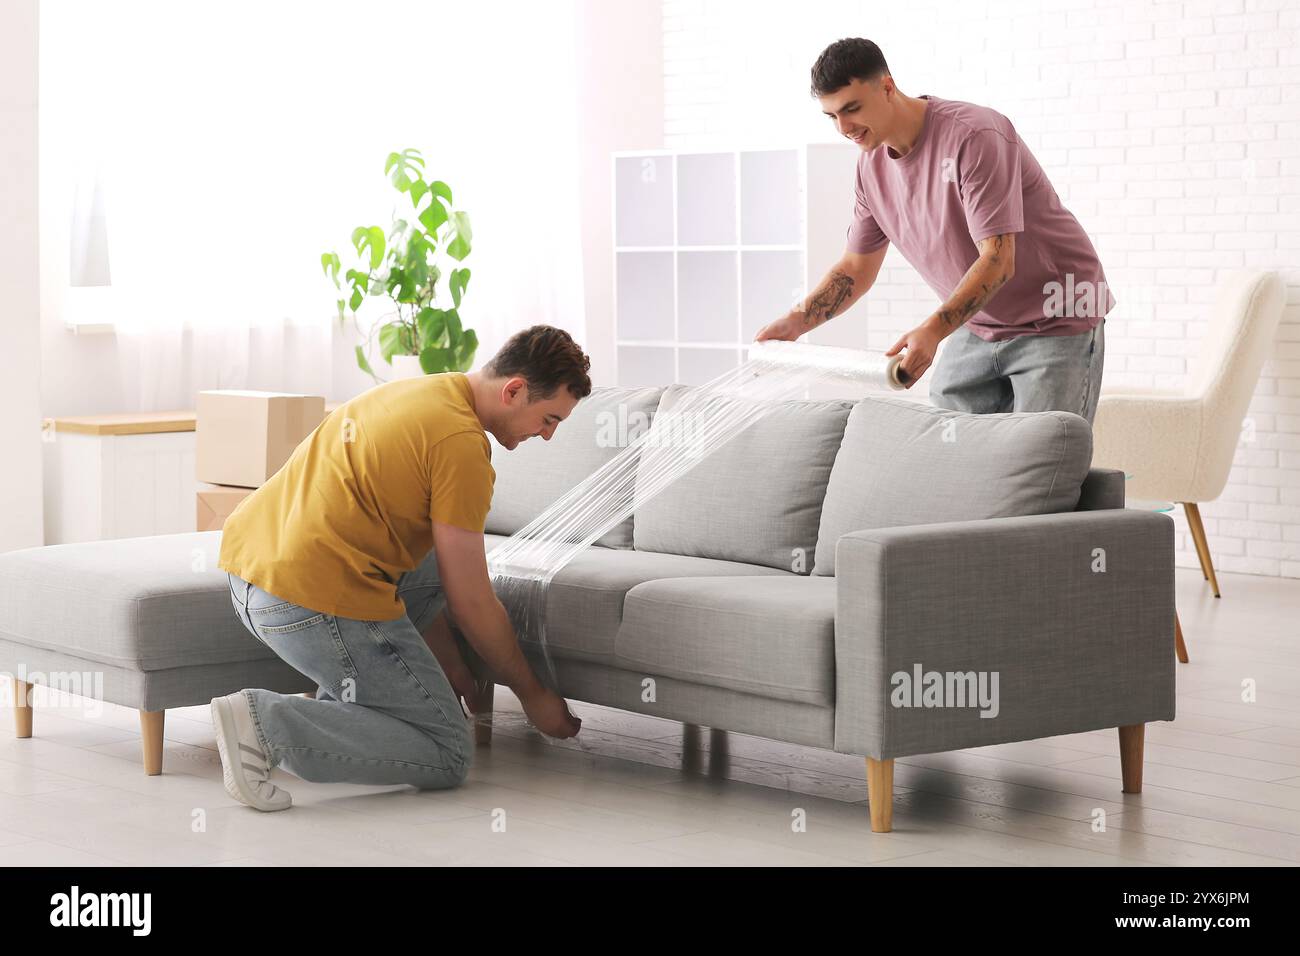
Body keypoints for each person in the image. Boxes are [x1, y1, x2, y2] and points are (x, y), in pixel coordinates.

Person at [211, 324, 591, 811]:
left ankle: (337, 712)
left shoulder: (423, 391)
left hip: (249, 572)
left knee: (433, 559)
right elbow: (471, 601)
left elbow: (431, 575)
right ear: (514, 390)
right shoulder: (462, 446)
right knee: (447, 751)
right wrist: (532, 694)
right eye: (549, 418)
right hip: (306, 598)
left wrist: (449, 668)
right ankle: (265, 723)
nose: (548, 435)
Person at [756, 38, 1112, 423]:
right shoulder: (870, 169)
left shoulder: (974, 136)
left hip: (1055, 315)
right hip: (977, 323)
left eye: (852, 109)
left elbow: (997, 260)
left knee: (1043, 464)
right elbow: (856, 269)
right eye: (832, 116)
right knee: (952, 460)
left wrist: (931, 330)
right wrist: (799, 320)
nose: (844, 128)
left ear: (887, 87)